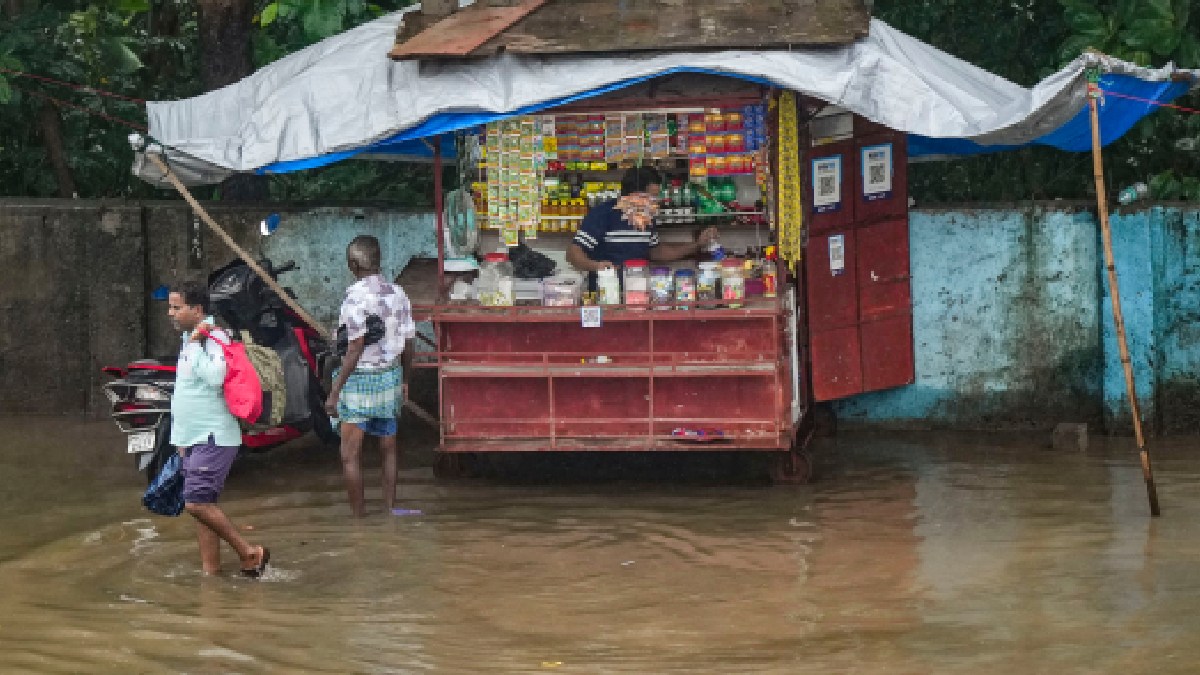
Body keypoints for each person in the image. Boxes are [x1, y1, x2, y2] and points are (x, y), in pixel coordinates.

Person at [167, 281, 269, 578]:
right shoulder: (192, 338)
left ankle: (250, 553)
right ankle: (211, 575)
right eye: (170, 307)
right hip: (195, 438)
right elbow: (187, 390)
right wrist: (180, 440)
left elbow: (214, 378)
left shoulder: (213, 338)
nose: (170, 313)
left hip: (213, 436)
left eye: (176, 307)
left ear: (197, 310)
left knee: (196, 503)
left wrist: (198, 343)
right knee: (205, 509)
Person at [324, 235, 417, 518]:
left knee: (350, 455)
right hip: (389, 378)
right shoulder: (398, 293)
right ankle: (390, 509)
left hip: (359, 383)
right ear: (378, 261)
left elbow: (355, 347)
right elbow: (410, 341)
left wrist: (335, 391)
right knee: (388, 449)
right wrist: (405, 380)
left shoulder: (354, 298)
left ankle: (359, 520)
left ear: (353, 264)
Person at [566, 166, 719, 281]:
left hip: (638, 290)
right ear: (633, 195)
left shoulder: (646, 217)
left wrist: (697, 244)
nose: (654, 203)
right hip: (607, 291)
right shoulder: (603, 214)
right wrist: (596, 266)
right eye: (651, 197)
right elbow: (573, 253)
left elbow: (656, 251)